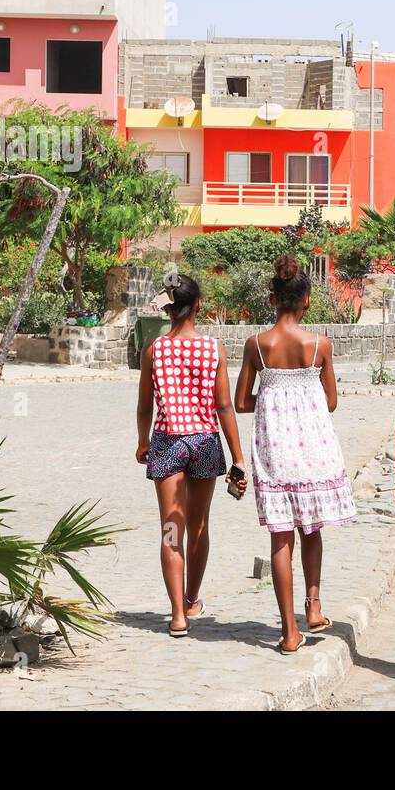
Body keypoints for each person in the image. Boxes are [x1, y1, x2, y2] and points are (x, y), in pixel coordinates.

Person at [233, 255, 356, 654]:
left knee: (280, 540)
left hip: (274, 454)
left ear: (273, 299)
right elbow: (332, 402)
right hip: (315, 452)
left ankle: (289, 632)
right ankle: (314, 608)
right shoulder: (320, 345)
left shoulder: (257, 345)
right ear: (306, 301)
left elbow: (241, 402)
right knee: (313, 530)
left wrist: (272, 399)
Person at [135, 273, 244, 639]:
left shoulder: (154, 350)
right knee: (198, 526)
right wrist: (238, 458)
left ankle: (177, 615)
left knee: (171, 530)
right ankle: (193, 598)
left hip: (167, 441)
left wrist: (141, 442)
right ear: (198, 306)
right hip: (204, 442)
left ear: (168, 308)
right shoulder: (214, 350)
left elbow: (144, 406)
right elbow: (225, 407)